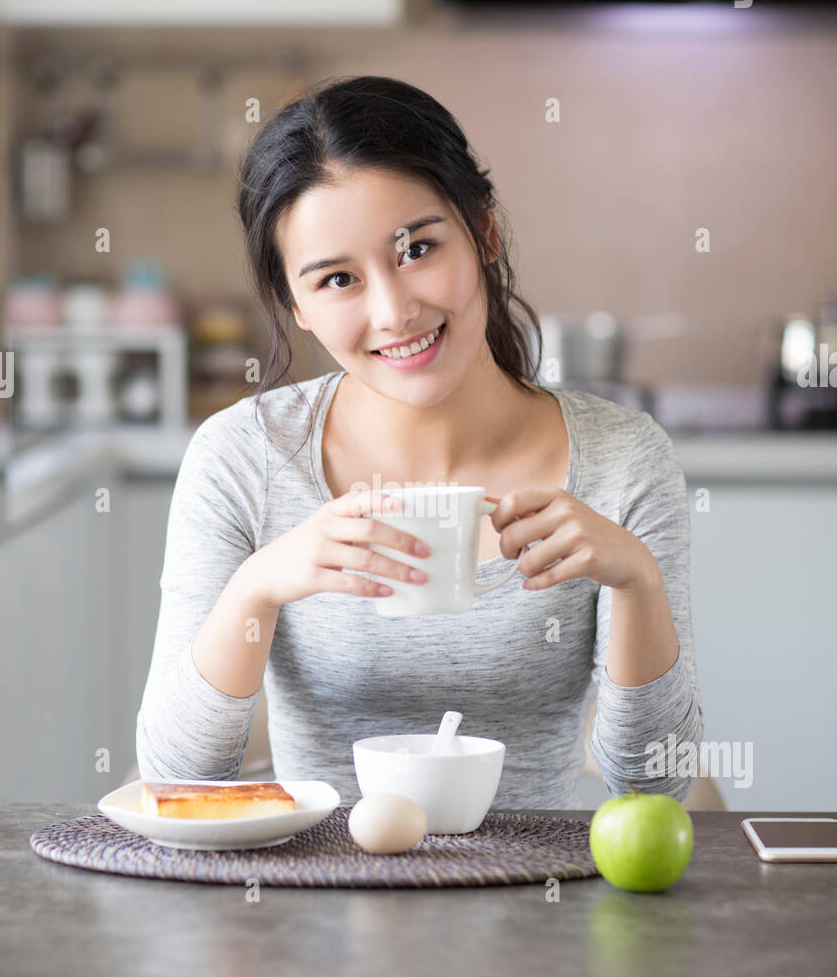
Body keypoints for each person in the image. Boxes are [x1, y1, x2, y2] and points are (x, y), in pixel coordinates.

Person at [136, 75, 703, 808]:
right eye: (337, 279)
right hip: (311, 911)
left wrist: (638, 583)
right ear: (297, 307)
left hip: (539, 906)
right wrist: (259, 585)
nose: (394, 310)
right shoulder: (241, 459)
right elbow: (176, 778)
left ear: (485, 232)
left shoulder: (626, 461)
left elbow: (654, 784)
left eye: (417, 249)